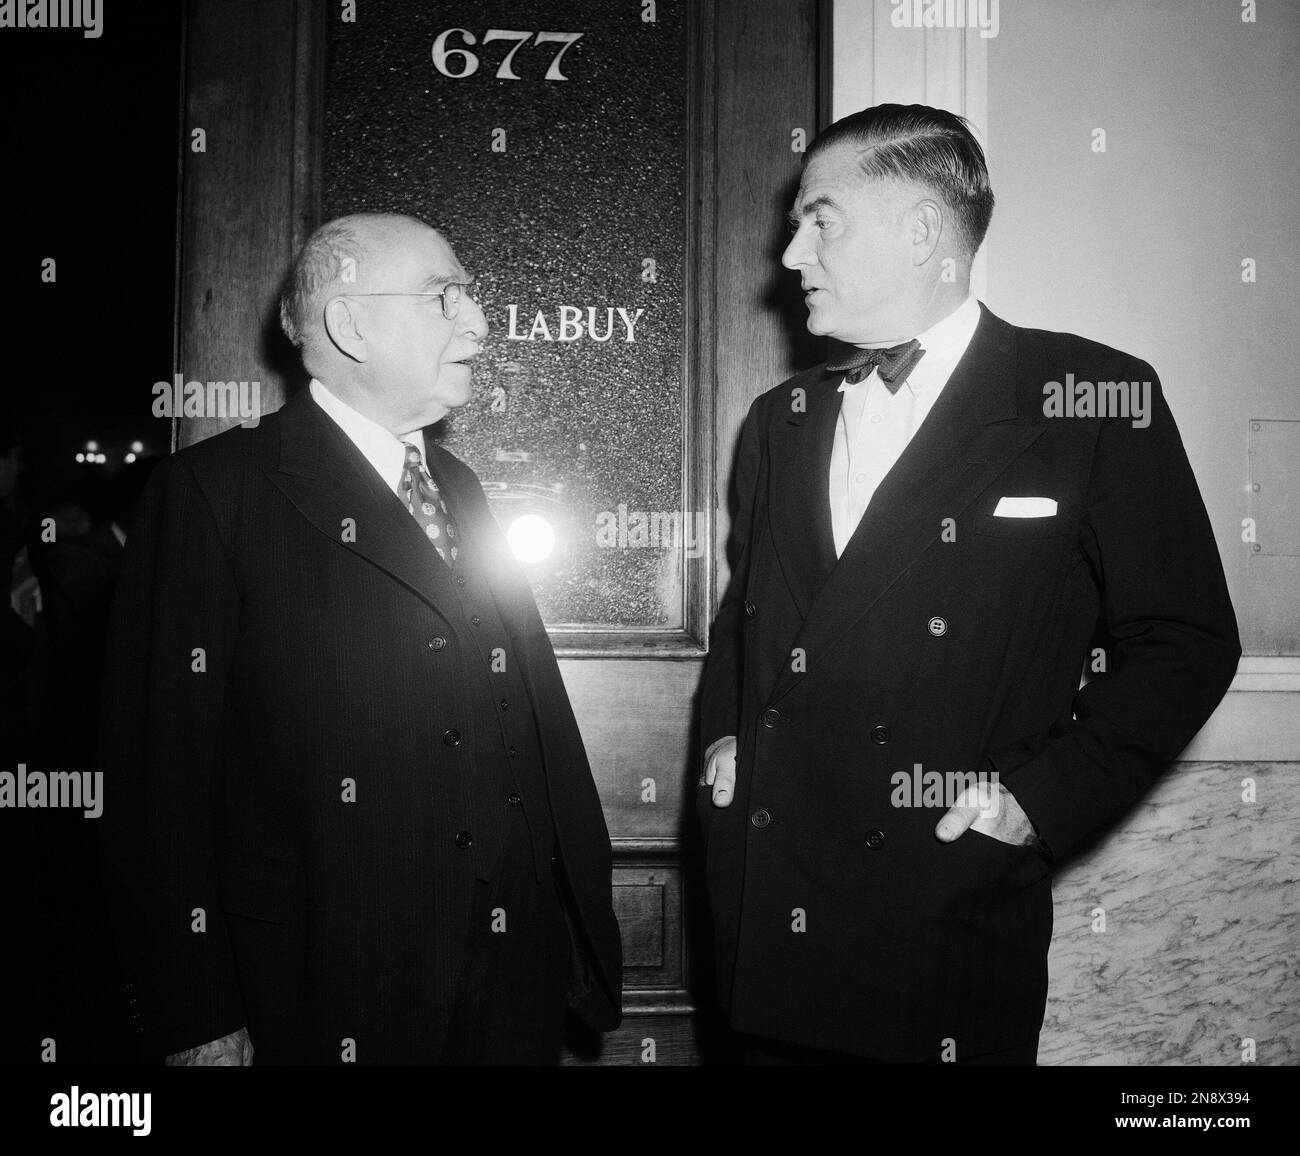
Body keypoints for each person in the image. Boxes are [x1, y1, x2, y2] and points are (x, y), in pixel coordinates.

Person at [697, 104, 1239, 1066]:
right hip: (767, 928)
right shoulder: (777, 420)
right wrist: (730, 744)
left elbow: (1184, 639)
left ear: (920, 231)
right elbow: (748, 631)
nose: (789, 255)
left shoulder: (1093, 398)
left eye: (820, 219)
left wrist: (1038, 801)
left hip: (942, 924)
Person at [98, 212, 622, 1065]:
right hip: (325, 980)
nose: (480, 324)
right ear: (350, 324)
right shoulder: (213, 493)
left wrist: (564, 924)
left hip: (509, 974)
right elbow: (159, 778)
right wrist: (194, 1011)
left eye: (473, 296)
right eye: (446, 296)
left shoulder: (459, 485)